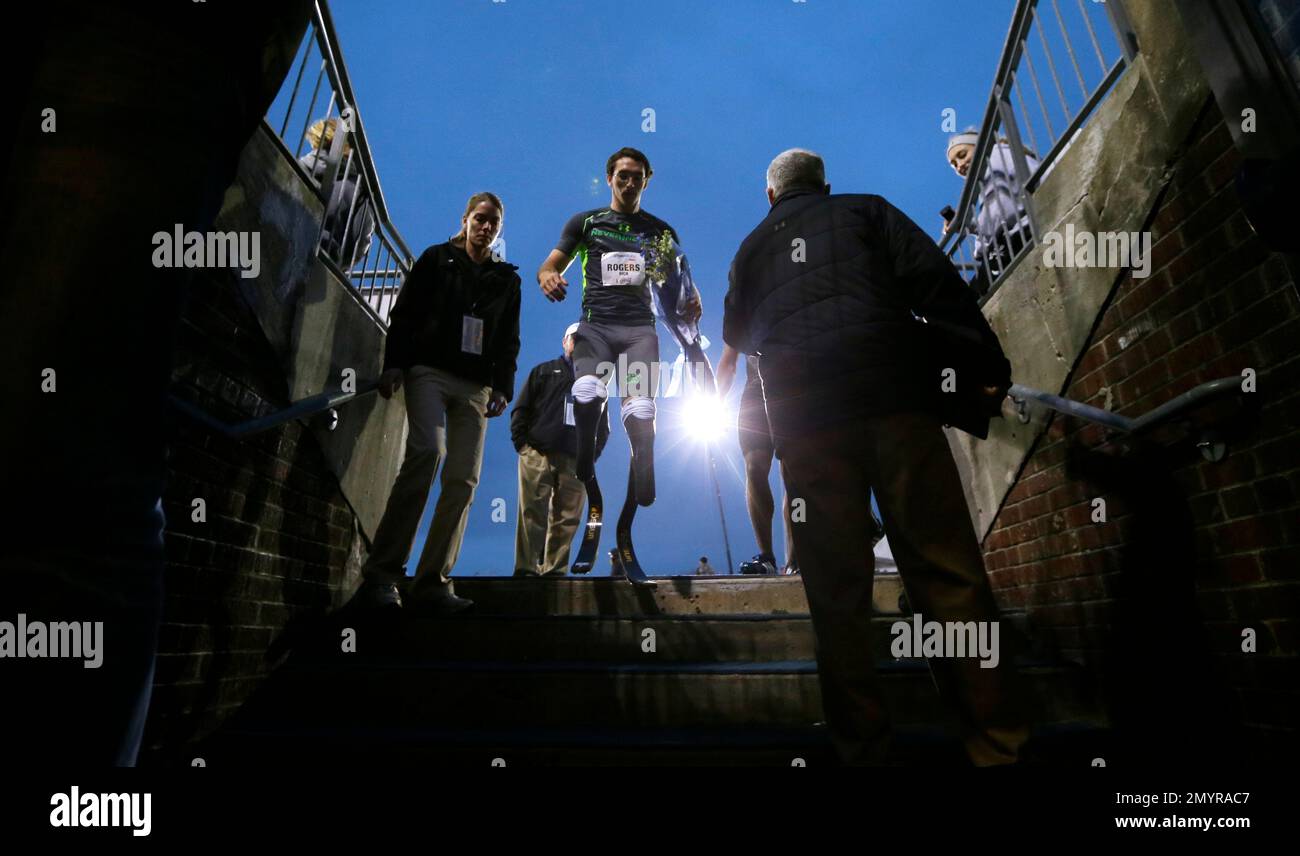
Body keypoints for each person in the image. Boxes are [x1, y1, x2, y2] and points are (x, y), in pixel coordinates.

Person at [724, 148, 1028, 766]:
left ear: (771, 197)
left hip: (805, 423)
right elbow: (936, 282)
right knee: (947, 571)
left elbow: (741, 333)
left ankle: (863, 749)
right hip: (894, 402)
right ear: (825, 185)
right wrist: (986, 369)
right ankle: (996, 742)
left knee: (835, 592)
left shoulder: (750, 250)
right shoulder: (865, 210)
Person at [350, 192, 521, 613]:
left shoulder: (507, 280)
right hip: (428, 370)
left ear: (499, 229)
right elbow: (404, 314)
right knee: (427, 452)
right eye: (479, 218)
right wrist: (395, 365)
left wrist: (503, 387)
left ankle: (432, 582)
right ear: (464, 219)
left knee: (464, 478)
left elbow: (508, 340)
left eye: (493, 222)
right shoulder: (435, 259)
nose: (485, 227)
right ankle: (383, 575)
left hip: (476, 385)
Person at [536, 147, 701, 511]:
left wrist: (693, 299)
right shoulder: (586, 223)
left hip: (639, 331)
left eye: (636, 177)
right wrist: (548, 277)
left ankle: (644, 464)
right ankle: (584, 453)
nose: (628, 183)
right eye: (622, 176)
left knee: (641, 409)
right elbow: (550, 265)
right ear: (610, 178)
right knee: (588, 389)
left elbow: (674, 281)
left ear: (646, 181)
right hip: (596, 327)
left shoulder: (659, 231)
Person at [511, 322, 610, 577]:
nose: (578, 344)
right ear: (565, 342)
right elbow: (521, 408)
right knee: (532, 513)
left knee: (566, 519)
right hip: (537, 453)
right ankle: (526, 569)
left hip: (575, 460)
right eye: (574, 339)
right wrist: (523, 445)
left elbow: (603, 428)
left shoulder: (597, 382)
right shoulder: (543, 371)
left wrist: (589, 455)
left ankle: (555, 570)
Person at [716, 347, 796, 576]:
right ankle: (767, 557)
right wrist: (717, 399)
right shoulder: (740, 309)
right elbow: (729, 356)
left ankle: (796, 558)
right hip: (755, 391)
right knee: (753, 468)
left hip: (793, 388)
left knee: (793, 474)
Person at [943, 128, 1039, 295]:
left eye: (962, 155)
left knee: (967, 304)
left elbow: (1000, 213)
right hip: (1019, 232)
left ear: (980, 145)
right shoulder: (1000, 158)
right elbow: (1002, 211)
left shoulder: (993, 158)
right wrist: (966, 224)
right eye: (954, 164)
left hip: (1019, 236)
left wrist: (979, 247)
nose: (959, 166)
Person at [298, 116, 376, 272]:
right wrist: (340, 264)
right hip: (322, 260)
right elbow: (358, 241)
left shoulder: (296, 166)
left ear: (317, 140)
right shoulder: (359, 190)